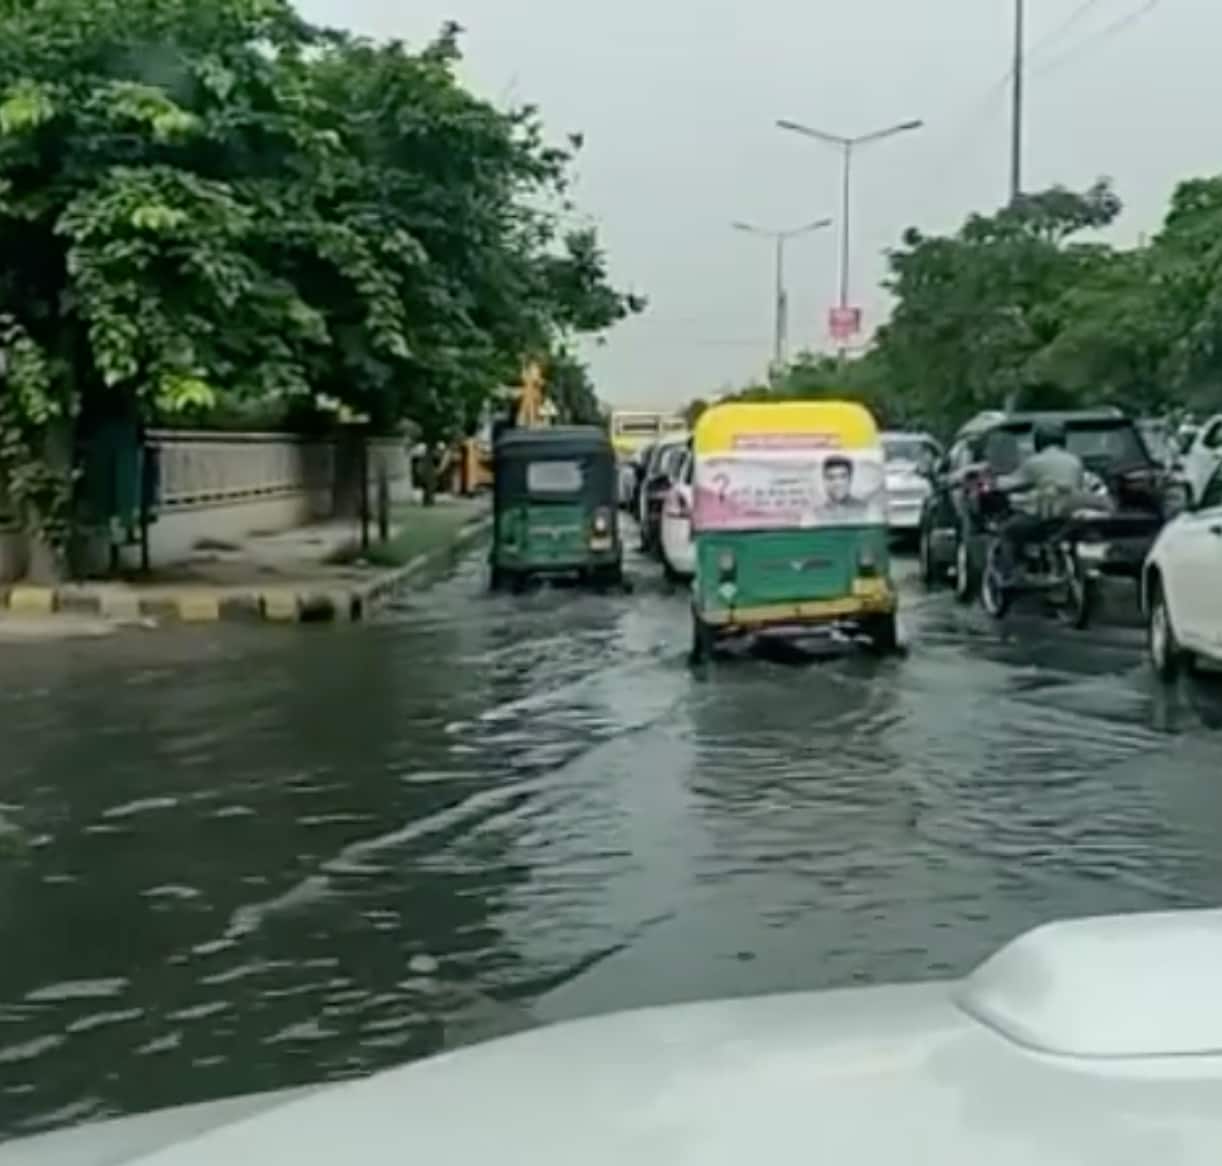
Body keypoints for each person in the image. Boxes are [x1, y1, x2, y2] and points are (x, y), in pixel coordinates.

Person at [993, 419, 1087, 581]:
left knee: (1007, 531)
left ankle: (1013, 575)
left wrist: (995, 482)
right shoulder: (1075, 461)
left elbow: (1010, 483)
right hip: (1070, 515)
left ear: (1038, 440)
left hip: (1045, 516)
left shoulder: (1035, 462)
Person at [820, 455, 870, 520]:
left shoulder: (865, 509)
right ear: (824, 481)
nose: (837, 483)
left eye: (842, 477)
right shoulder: (817, 513)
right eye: (831, 477)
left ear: (850, 479)